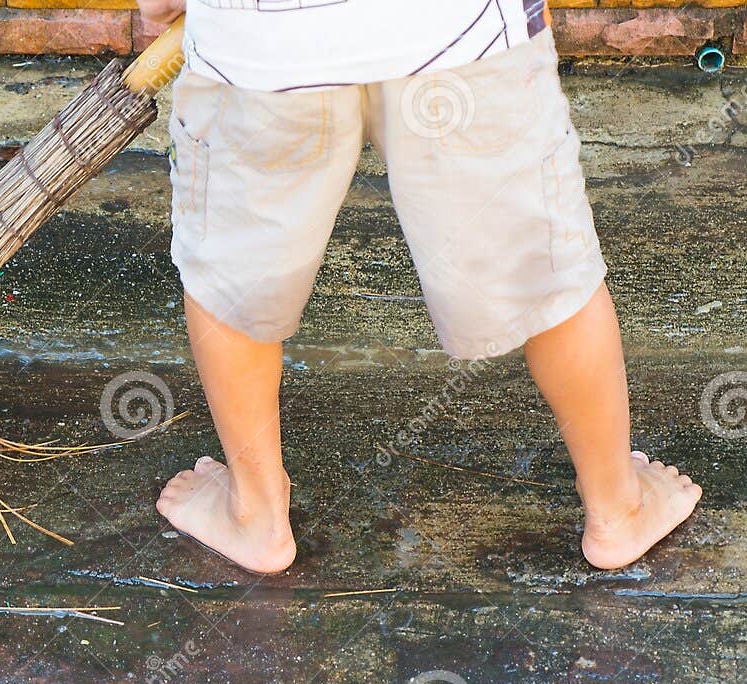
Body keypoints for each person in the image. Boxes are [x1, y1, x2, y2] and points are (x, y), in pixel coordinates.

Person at [144, 0, 701, 572]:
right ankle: (617, 507)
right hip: (459, 34)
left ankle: (255, 514)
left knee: (236, 276)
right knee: (544, 266)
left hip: (262, 46)